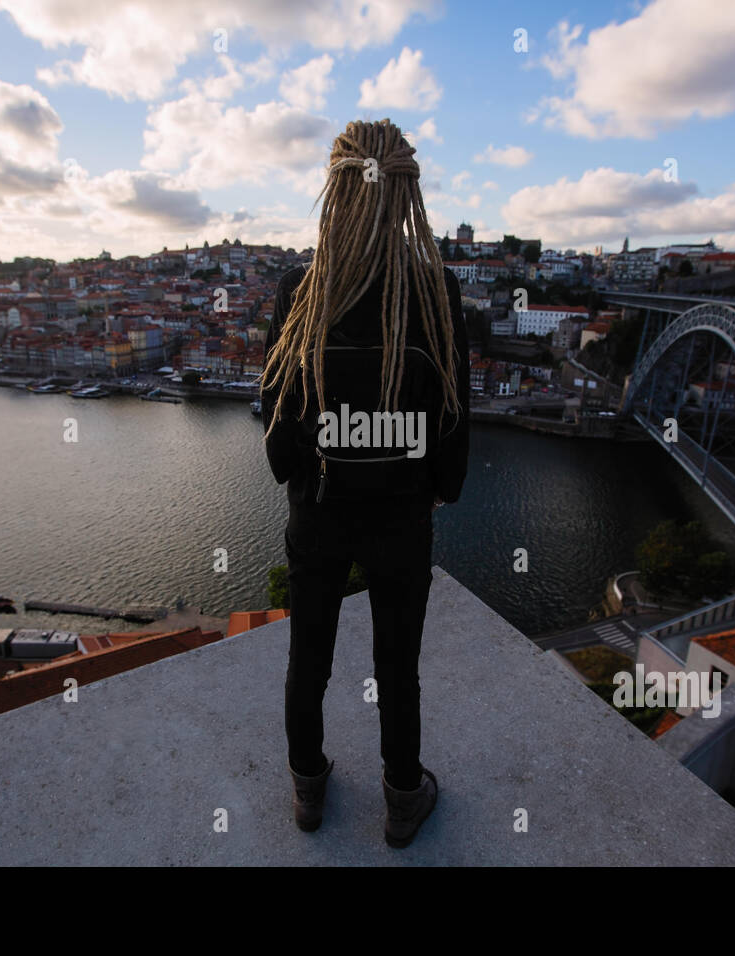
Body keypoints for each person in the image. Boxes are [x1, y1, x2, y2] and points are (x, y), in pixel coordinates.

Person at [259, 118, 469, 848]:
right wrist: (426, 483)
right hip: (401, 520)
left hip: (318, 512)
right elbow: (453, 437)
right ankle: (403, 797)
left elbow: (279, 444)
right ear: (406, 195)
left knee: (307, 659)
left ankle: (308, 789)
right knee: (397, 668)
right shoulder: (436, 292)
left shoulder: (301, 293)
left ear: (337, 193)